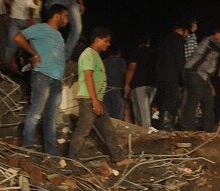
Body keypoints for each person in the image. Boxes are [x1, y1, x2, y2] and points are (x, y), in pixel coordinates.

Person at [12, 4, 71, 156]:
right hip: (42, 76)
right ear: (56, 16)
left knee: (51, 117)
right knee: (36, 112)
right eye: (65, 16)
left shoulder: (59, 36)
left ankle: (51, 154)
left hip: (56, 80)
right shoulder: (41, 28)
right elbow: (18, 37)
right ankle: (27, 148)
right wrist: (33, 54)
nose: (67, 20)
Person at [67, 27, 126, 164]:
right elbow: (88, 77)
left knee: (108, 130)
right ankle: (71, 160)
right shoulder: (88, 54)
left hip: (95, 100)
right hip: (89, 100)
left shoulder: (95, 55)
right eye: (106, 41)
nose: (108, 44)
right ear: (97, 39)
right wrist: (94, 101)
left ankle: (118, 158)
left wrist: (97, 100)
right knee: (83, 130)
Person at [180, 28, 220, 132]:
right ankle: (186, 128)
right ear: (217, 34)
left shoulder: (215, 46)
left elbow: (207, 68)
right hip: (193, 72)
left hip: (202, 76)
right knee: (193, 100)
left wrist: (209, 84)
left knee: (208, 102)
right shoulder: (210, 41)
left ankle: (209, 130)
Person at [4, 0, 41, 72]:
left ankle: (2, 71)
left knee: (11, 46)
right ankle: (36, 70)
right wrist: (30, 18)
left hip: (15, 17)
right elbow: (29, 2)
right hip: (26, 18)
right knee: (36, 45)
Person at [155, 20, 188, 131]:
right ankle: (166, 127)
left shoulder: (166, 39)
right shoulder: (178, 39)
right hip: (171, 76)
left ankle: (163, 126)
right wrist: (183, 77)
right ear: (184, 30)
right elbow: (180, 59)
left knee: (165, 100)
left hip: (161, 76)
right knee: (171, 101)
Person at [125, 35, 156, 129]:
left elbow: (132, 68)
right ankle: (141, 132)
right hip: (153, 84)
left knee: (141, 111)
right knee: (146, 109)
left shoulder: (136, 52)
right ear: (148, 42)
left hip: (139, 84)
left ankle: (144, 133)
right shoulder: (155, 53)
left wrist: (126, 84)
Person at [102, 45, 128, 120]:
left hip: (106, 91)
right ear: (119, 53)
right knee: (117, 118)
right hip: (117, 91)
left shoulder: (104, 62)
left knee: (107, 117)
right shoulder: (121, 61)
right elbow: (123, 73)